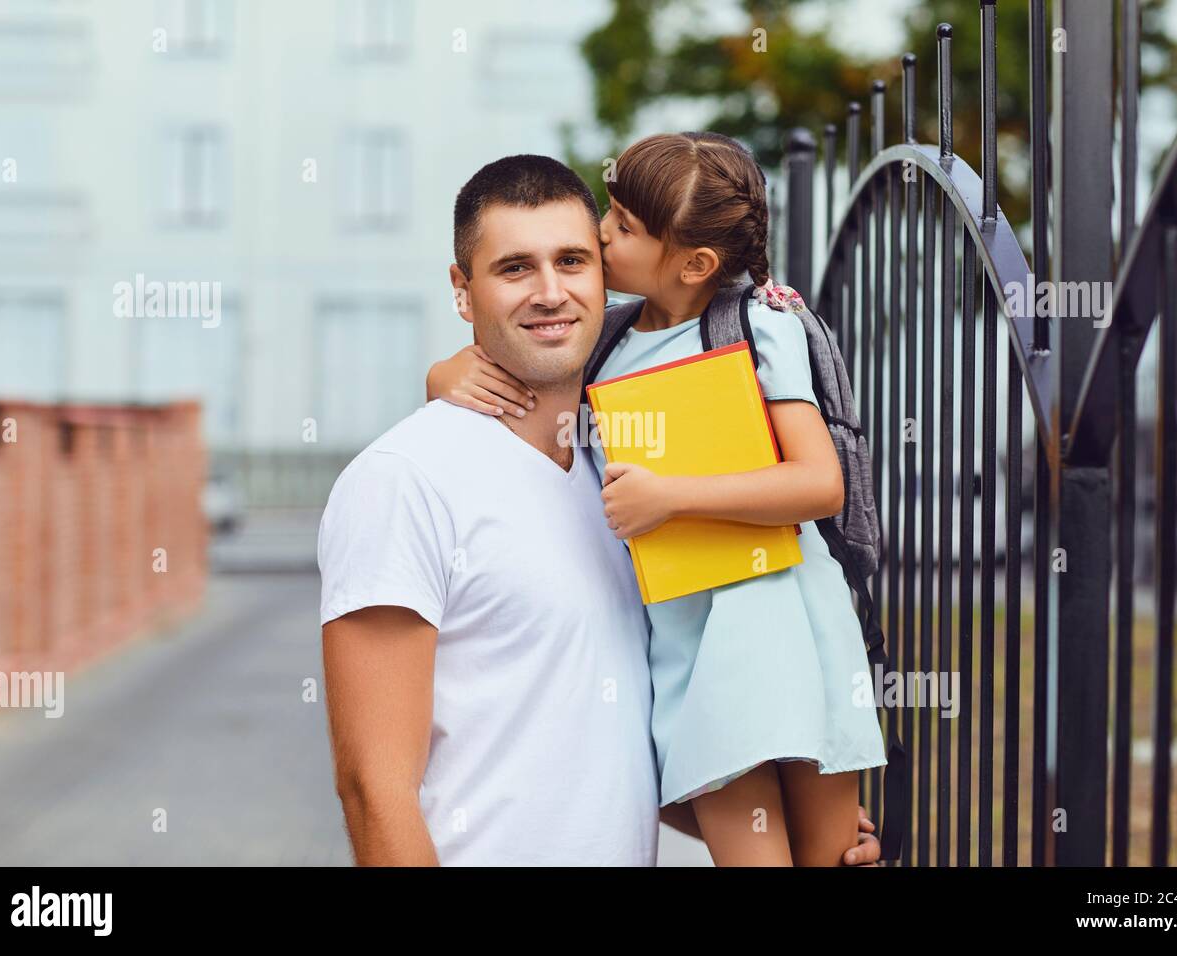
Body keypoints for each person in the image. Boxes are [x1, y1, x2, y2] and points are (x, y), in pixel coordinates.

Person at [320, 152, 884, 866]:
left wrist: (798, 841)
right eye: (515, 268)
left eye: (572, 260)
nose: (551, 292)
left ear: (604, 276)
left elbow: (619, 749)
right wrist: (442, 376)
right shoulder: (404, 481)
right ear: (462, 292)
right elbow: (373, 789)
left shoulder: (619, 473)